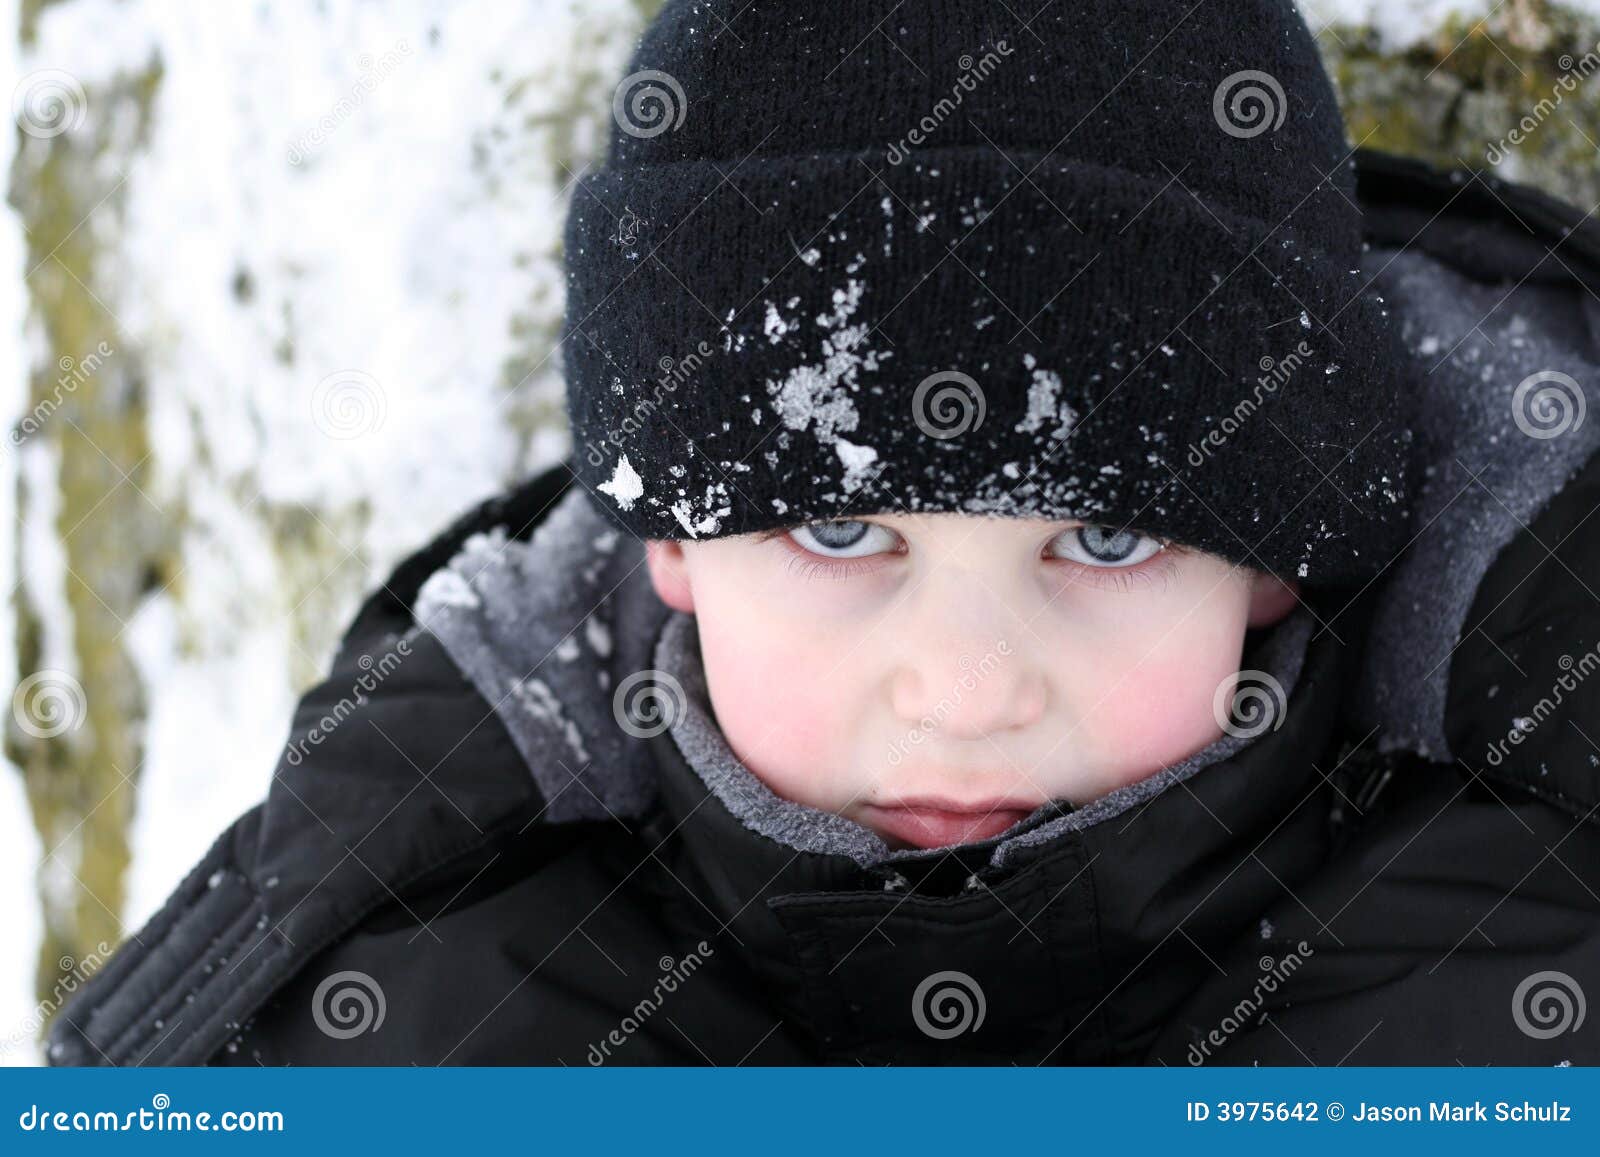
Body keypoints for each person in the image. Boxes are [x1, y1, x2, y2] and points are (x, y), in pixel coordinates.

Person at [48, 0, 1600, 1066]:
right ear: (666, 540)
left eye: (1108, 538)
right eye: (846, 529)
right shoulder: (422, 1007)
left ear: (1275, 554)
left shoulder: (1526, 955)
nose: (966, 689)